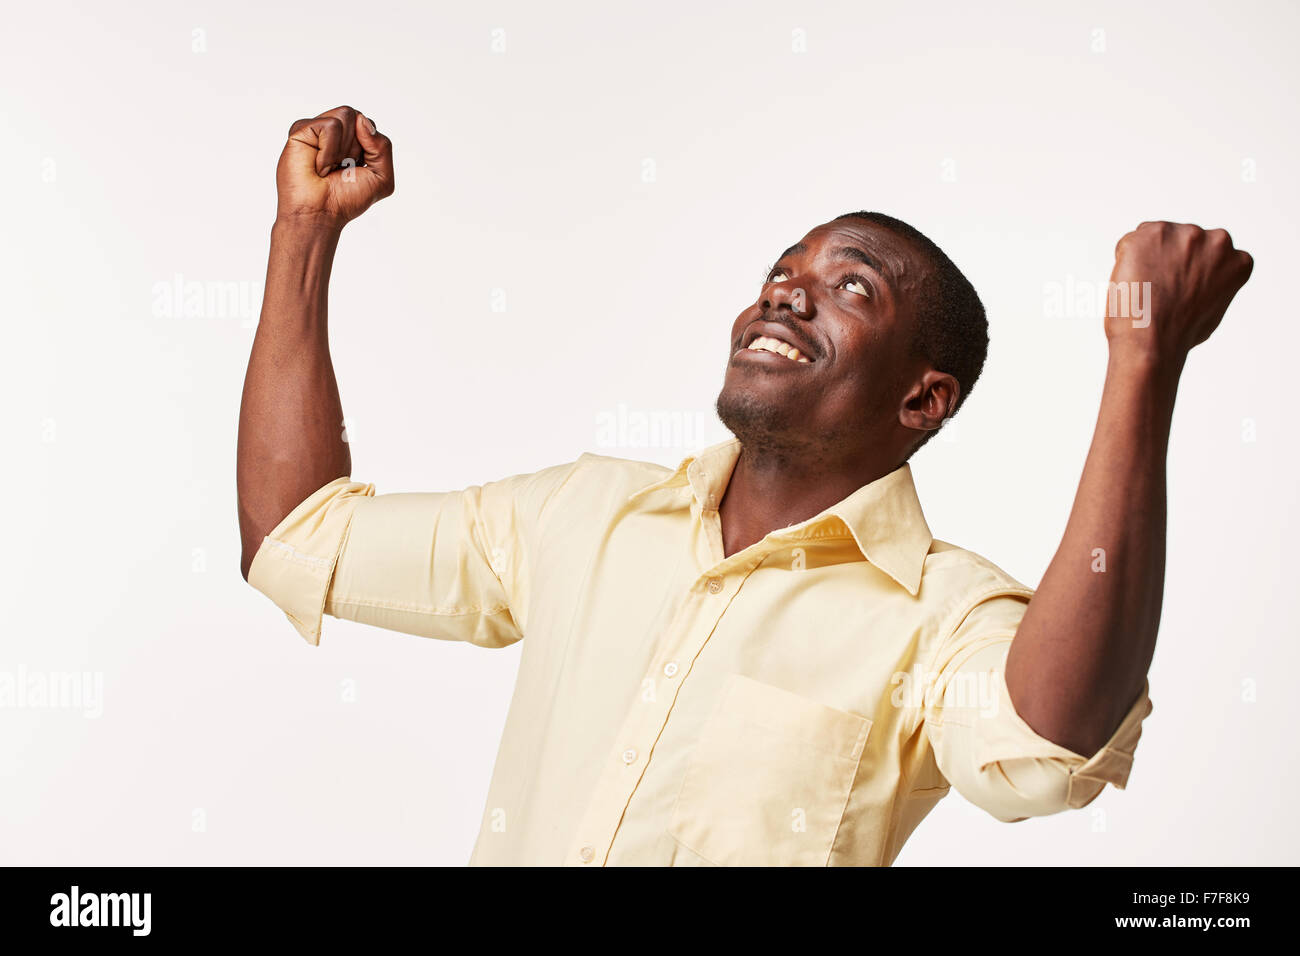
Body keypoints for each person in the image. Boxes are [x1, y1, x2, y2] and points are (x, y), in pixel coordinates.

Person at [237, 105, 1254, 866]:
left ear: (921, 398)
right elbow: (296, 535)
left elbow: (1049, 736)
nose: (786, 289)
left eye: (850, 284)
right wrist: (304, 231)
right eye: (781, 269)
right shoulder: (580, 514)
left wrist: (1142, 360)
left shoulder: (942, 616)